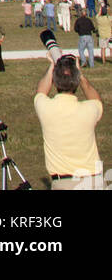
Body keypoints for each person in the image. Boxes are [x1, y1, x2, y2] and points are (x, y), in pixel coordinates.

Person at [34, 53, 104, 189]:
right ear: (76, 81)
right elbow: (95, 98)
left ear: (54, 81)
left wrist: (52, 66)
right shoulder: (90, 109)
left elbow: (41, 91)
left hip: (64, 182)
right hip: (94, 181)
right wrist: (80, 74)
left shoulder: (45, 107)